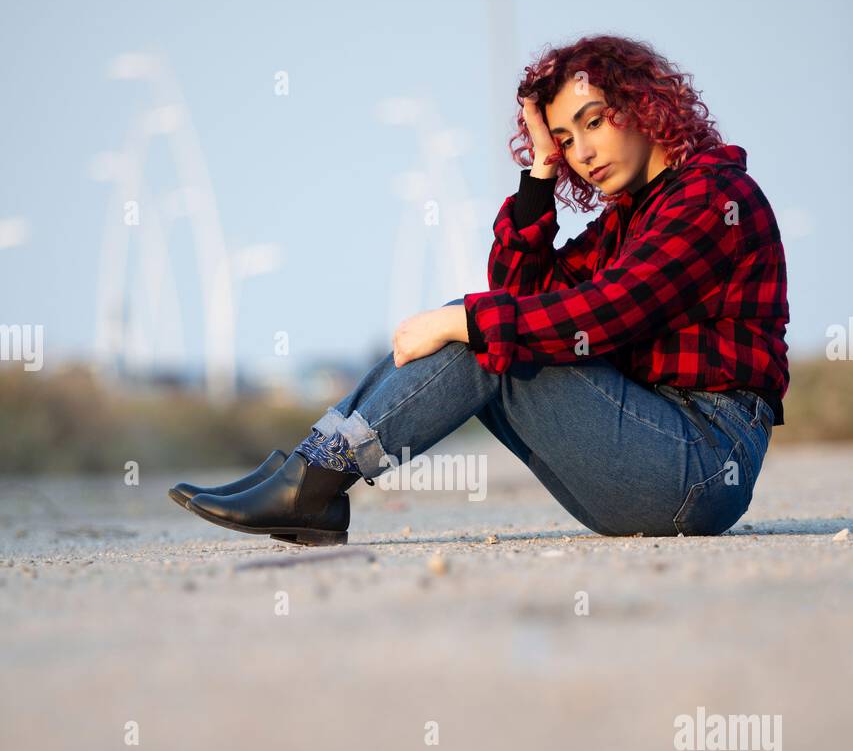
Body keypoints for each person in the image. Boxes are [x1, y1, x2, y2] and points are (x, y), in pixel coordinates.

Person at [170, 33, 788, 545]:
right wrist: (540, 174)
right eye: (566, 139)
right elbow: (520, 289)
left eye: (593, 122)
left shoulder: (712, 198)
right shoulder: (630, 216)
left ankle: (313, 482)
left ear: (646, 106)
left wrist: (461, 321)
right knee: (487, 324)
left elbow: (605, 312)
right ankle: (310, 475)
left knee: (477, 327)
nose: (583, 152)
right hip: (651, 466)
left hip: (701, 464)